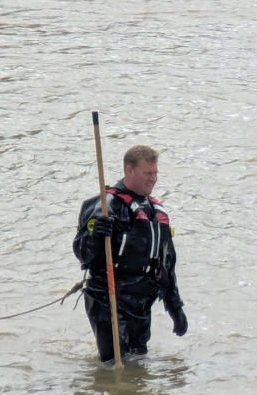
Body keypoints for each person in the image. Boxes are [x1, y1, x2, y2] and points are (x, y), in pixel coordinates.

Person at [73, 145, 187, 363]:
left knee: (138, 364)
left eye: (155, 173)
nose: (152, 179)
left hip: (141, 301)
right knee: (113, 365)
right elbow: (83, 255)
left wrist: (175, 307)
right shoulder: (104, 207)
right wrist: (96, 235)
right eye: (147, 174)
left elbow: (166, 263)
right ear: (129, 171)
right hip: (108, 298)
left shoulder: (156, 213)